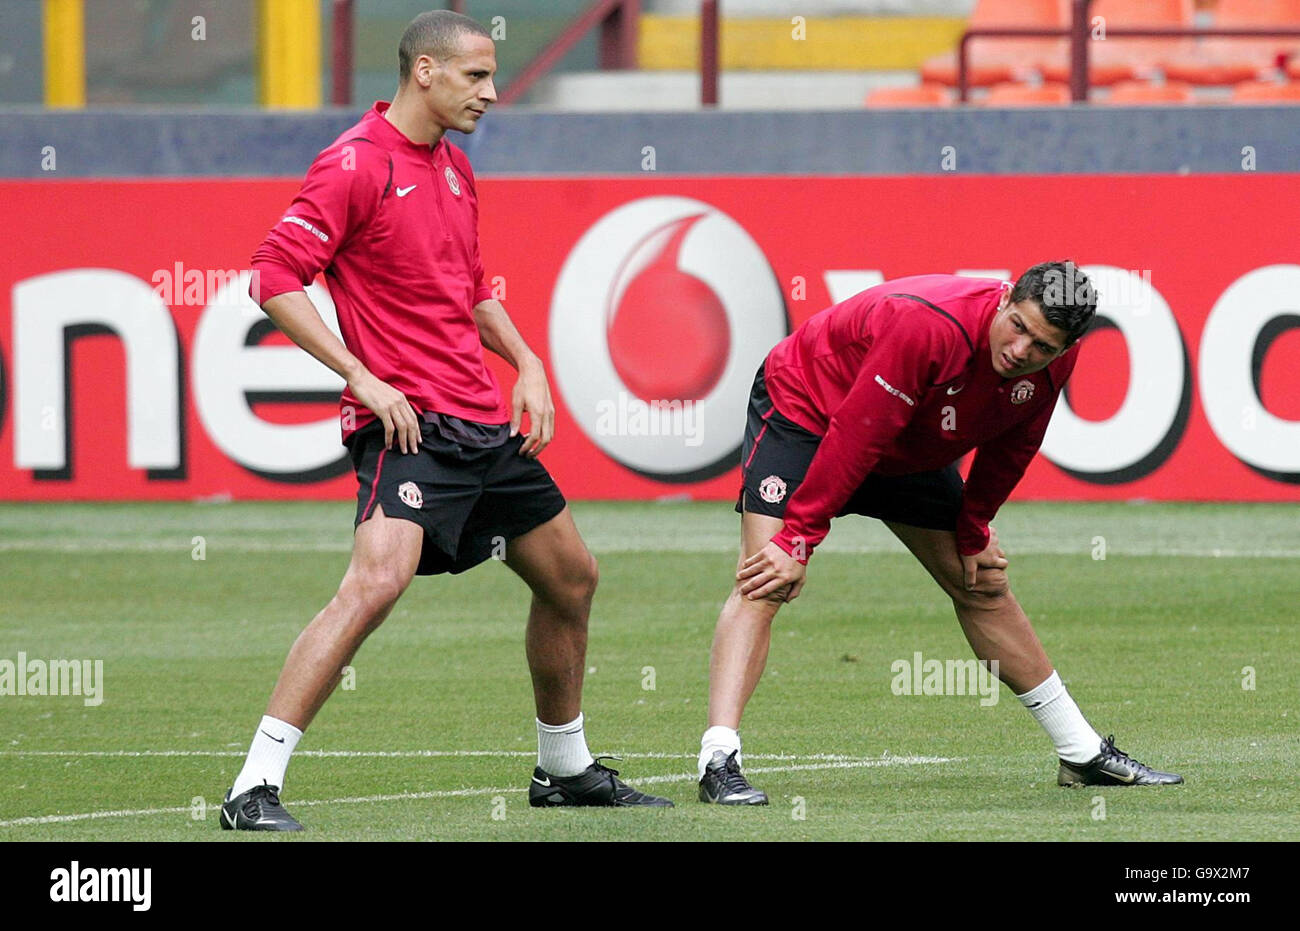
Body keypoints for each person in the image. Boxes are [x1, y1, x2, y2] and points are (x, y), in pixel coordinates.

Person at [221, 10, 670, 830]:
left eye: (493, 76)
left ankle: (563, 768)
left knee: (571, 575)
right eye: (476, 76)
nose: (492, 93)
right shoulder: (353, 163)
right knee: (375, 585)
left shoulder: (456, 169)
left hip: (480, 425)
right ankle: (254, 784)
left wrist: (527, 362)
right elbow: (272, 275)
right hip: (408, 427)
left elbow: (468, 291)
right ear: (423, 72)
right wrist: (362, 375)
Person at [695, 263, 1183, 805]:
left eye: (1042, 346)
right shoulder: (928, 325)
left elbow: (1014, 445)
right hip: (809, 412)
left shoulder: (1054, 361)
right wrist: (798, 540)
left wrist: (974, 527)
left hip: (909, 435)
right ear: (1004, 300)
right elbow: (858, 433)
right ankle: (719, 760)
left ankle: (1081, 753)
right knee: (768, 578)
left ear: (1064, 347)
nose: (1022, 351)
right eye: (1018, 326)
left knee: (982, 583)